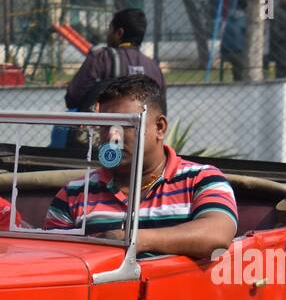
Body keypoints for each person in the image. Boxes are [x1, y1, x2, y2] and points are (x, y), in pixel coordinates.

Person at [44, 75, 238, 261]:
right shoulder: (74, 193)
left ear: (160, 128)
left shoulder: (202, 180)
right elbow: (55, 259)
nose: (112, 136)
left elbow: (217, 235)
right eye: (105, 125)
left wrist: (130, 240)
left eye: (125, 125)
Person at [65, 8, 166, 115]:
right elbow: (162, 110)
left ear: (119, 33)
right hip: (145, 128)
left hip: (109, 128)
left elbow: (72, 97)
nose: (107, 34)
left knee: (67, 118)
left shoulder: (101, 59)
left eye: (109, 29)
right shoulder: (154, 68)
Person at [220, 0, 248, 82]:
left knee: (237, 64)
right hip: (237, 50)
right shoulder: (245, 19)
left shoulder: (229, 16)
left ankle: (237, 79)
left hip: (224, 50)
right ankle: (240, 81)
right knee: (245, 62)